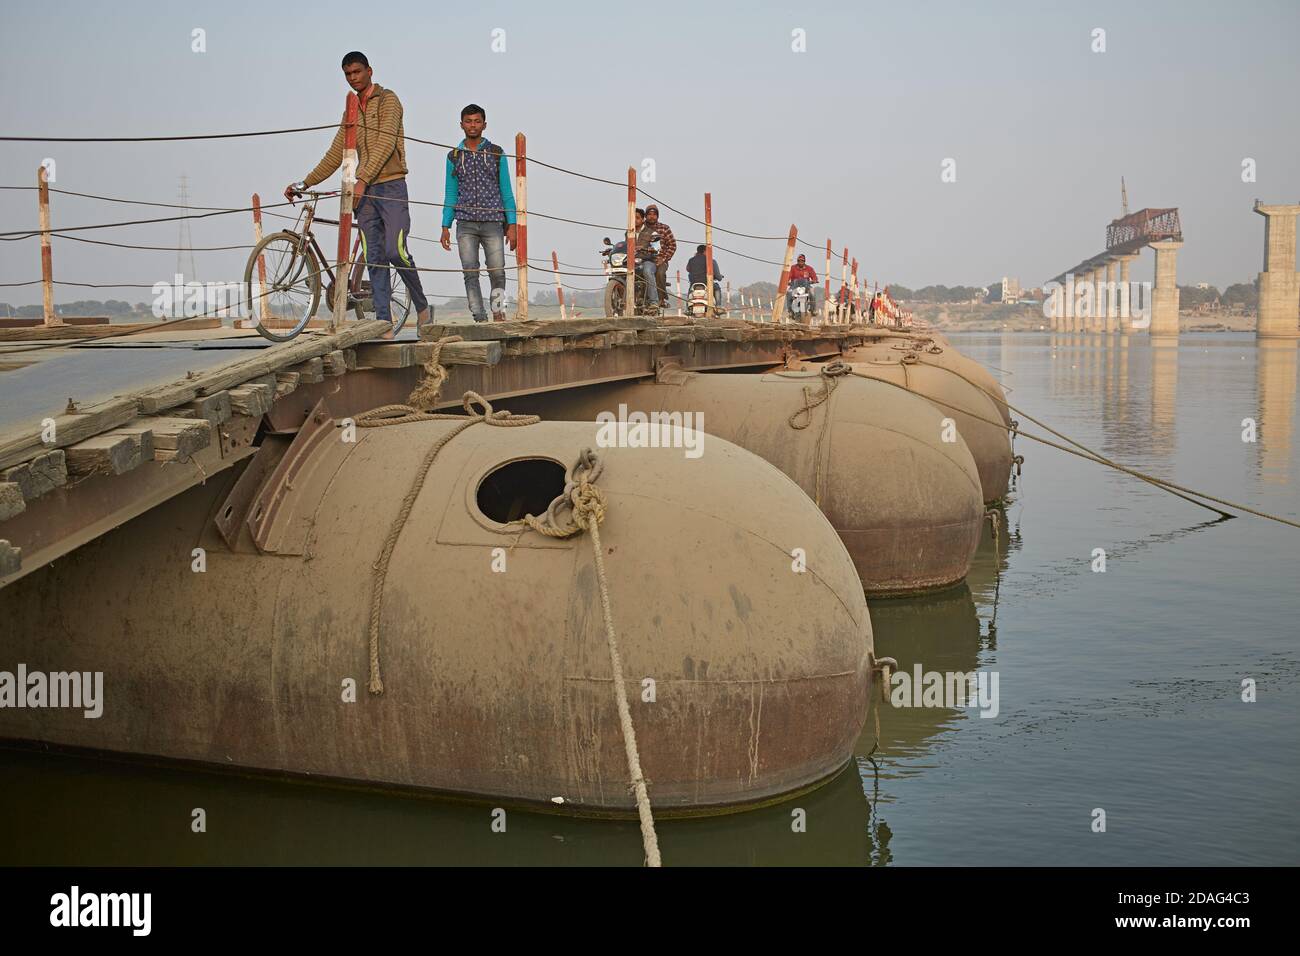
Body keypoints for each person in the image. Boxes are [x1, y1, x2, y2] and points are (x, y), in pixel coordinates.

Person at [286, 51, 429, 336]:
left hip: (391, 186)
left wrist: (361, 179)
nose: (353, 78)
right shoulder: (351, 109)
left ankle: (422, 305)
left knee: (395, 251)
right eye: (348, 74)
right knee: (373, 255)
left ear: (370, 71)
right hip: (364, 194)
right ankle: (384, 323)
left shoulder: (389, 100)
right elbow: (336, 152)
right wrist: (306, 182)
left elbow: (386, 142)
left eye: (357, 72)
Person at [439, 104, 518, 322]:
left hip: (493, 222)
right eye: (468, 121)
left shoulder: (495, 153)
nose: (472, 125)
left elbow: (507, 192)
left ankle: (498, 310)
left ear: (484, 125)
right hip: (465, 223)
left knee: (498, 271)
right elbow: (450, 193)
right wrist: (445, 225)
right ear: (461, 125)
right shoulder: (454, 156)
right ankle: (479, 317)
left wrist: (512, 225)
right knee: (470, 272)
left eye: (476, 121)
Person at [645, 205, 676, 309]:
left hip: (660, 259)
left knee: (660, 273)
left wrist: (664, 258)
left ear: (657, 216)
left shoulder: (664, 228)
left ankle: (661, 299)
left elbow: (672, 245)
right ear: (645, 216)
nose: (652, 217)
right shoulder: (641, 227)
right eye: (649, 214)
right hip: (643, 259)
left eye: (654, 214)